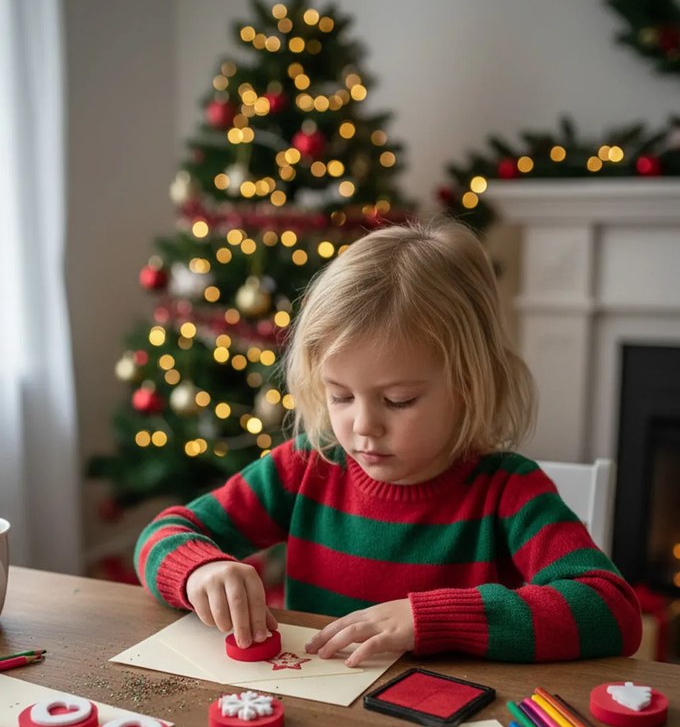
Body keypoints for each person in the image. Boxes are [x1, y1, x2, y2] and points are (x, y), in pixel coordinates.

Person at [135, 217, 641, 667]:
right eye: (340, 396)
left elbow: (611, 610)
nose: (362, 426)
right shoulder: (308, 467)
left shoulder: (509, 492)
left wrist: (432, 620)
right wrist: (200, 569)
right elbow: (163, 533)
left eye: (398, 400)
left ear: (469, 386)